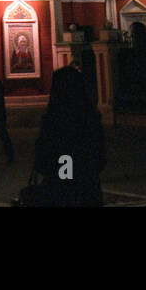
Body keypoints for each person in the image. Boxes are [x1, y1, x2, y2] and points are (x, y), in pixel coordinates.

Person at [33, 65, 105, 207]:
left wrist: (62, 174)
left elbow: (42, 159)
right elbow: (100, 157)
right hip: (87, 188)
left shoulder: (53, 120)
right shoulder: (90, 118)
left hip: (59, 190)